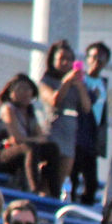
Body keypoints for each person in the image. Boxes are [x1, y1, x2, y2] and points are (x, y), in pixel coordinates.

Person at [0, 74, 61, 197]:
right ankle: (34, 190)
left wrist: (33, 140)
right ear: (11, 92)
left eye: (28, 89)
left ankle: (53, 193)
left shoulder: (30, 113)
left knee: (52, 148)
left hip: (20, 154)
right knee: (29, 147)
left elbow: (43, 138)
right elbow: (16, 139)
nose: (25, 93)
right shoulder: (7, 109)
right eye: (20, 88)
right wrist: (34, 140)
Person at [37, 39, 89, 195]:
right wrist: (65, 82)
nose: (66, 62)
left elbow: (86, 108)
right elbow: (54, 101)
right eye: (61, 59)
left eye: (69, 59)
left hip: (70, 129)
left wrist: (79, 86)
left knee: (61, 177)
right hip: (54, 127)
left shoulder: (77, 83)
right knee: (48, 175)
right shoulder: (46, 81)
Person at [71, 41, 111, 204]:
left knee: (91, 181)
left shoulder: (103, 83)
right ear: (87, 58)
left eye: (101, 59)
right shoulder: (81, 79)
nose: (97, 62)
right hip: (79, 132)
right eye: (93, 57)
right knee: (73, 174)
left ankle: (85, 207)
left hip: (93, 135)